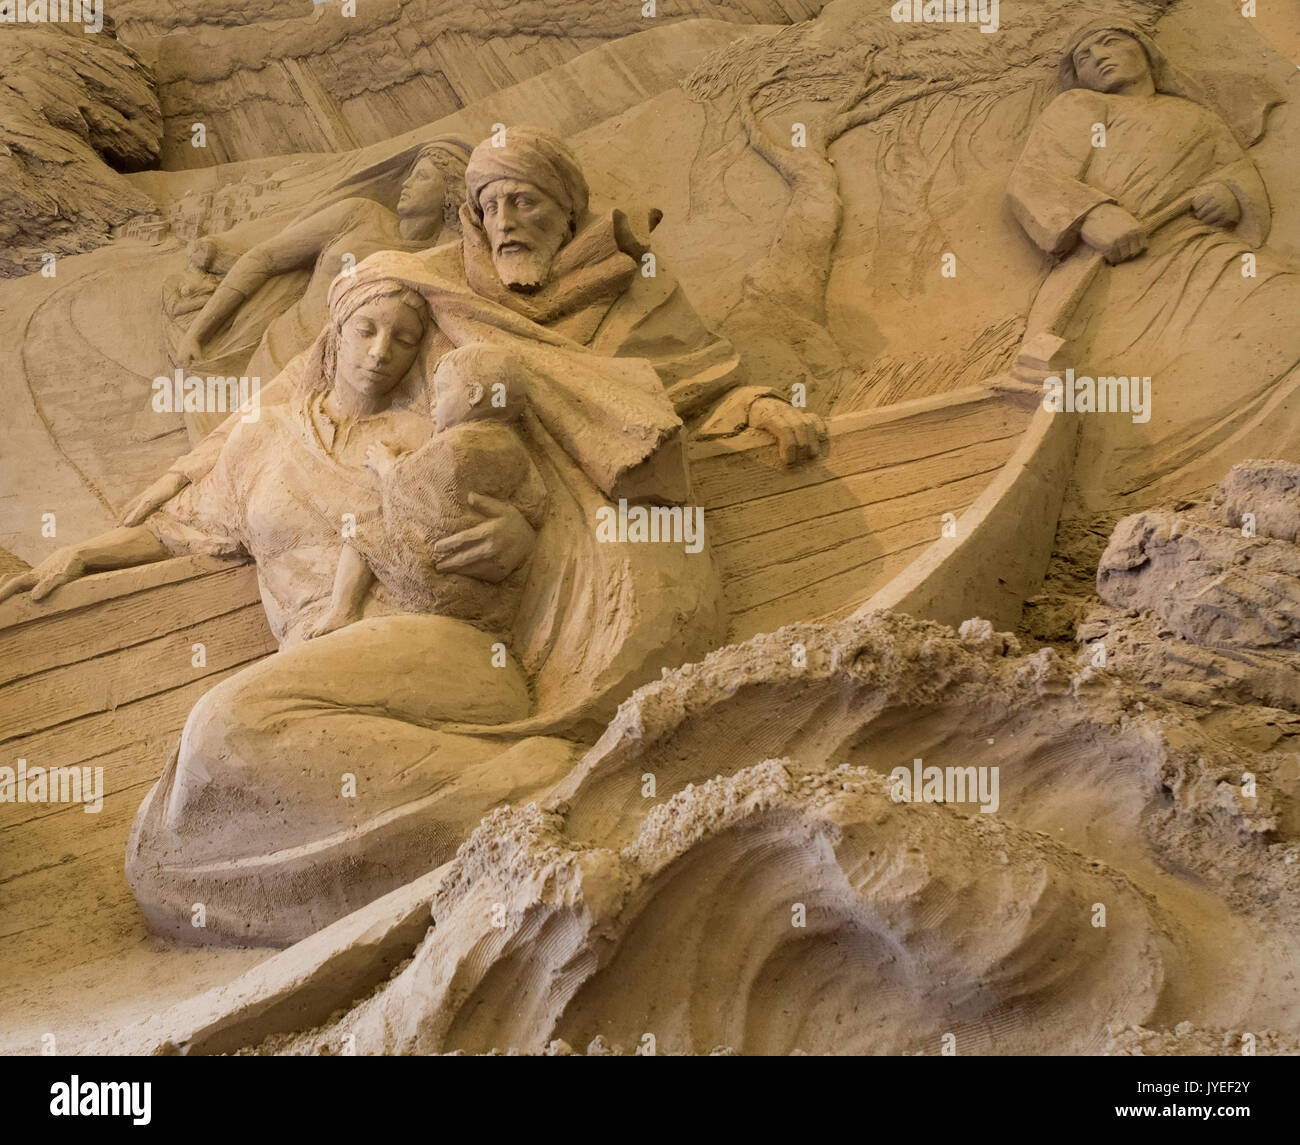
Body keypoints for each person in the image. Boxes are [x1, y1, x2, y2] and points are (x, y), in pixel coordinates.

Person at [122, 126, 828, 527]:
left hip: (590, 517)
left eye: (523, 202)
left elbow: (683, 390)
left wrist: (756, 405)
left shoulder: (635, 282)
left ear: (569, 209)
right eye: (489, 208)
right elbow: (305, 383)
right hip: (461, 519)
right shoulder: (431, 281)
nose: (504, 223)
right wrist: (191, 468)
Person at [1007, 21, 1300, 506]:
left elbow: (1236, 175)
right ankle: (1136, 489)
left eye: (1111, 41)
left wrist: (1228, 197)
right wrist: (1092, 215)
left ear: (1146, 51)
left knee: (1286, 306)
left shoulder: (1195, 118)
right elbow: (1033, 176)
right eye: (1083, 56)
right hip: (1112, 273)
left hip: (1198, 252)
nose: (1098, 56)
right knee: (1121, 382)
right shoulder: (1080, 106)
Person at [159, 136, 472, 441]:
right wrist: (199, 333)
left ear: (449, 192)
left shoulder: (444, 258)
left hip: (348, 381)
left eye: (422, 177)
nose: (406, 183)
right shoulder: (359, 214)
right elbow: (265, 258)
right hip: (284, 347)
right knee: (243, 443)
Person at [309, 343, 547, 640]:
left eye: (443, 391)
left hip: (432, 574)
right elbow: (536, 504)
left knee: (361, 530)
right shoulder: (515, 450)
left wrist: (386, 464)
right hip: (484, 595)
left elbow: (409, 483)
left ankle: (342, 611)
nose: (433, 404)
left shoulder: (454, 444)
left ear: (473, 395)